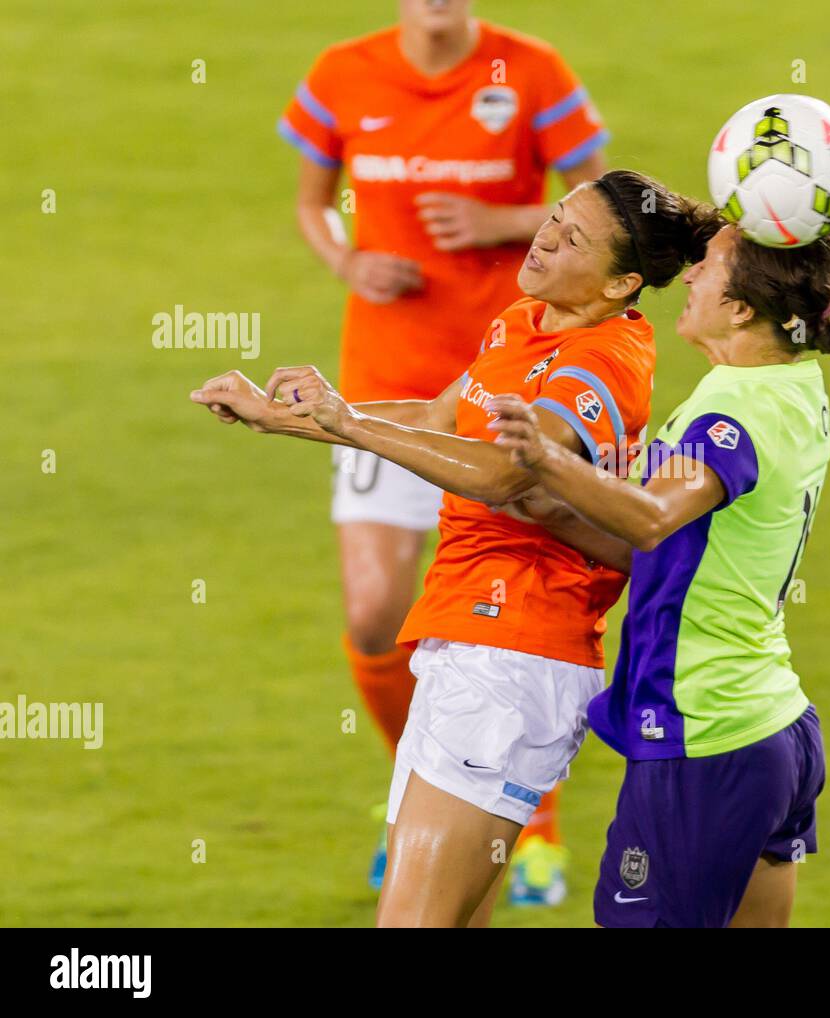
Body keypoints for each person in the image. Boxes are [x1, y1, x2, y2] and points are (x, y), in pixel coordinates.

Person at [190, 171, 716, 927]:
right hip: (478, 645)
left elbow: (508, 472)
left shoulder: (601, 361)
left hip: (510, 653)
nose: (545, 237)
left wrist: (346, 424)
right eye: (554, 217)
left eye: (574, 238)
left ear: (622, 283)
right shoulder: (523, 321)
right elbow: (443, 415)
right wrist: (282, 417)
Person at [276, 0, 609, 895]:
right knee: (375, 612)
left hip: (506, 392)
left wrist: (502, 223)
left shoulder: (531, 72)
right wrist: (348, 263)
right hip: (383, 392)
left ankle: (529, 826)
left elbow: (605, 203)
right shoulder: (343, 72)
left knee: (513, 627)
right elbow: (312, 203)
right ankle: (420, 800)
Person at [487, 223, 830, 927]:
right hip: (774, 727)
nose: (687, 278)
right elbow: (677, 545)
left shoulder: (735, 407)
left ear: (742, 307)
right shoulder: (792, 384)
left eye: (708, 268)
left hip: (703, 733)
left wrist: (548, 456)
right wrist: (560, 516)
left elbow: (654, 516)